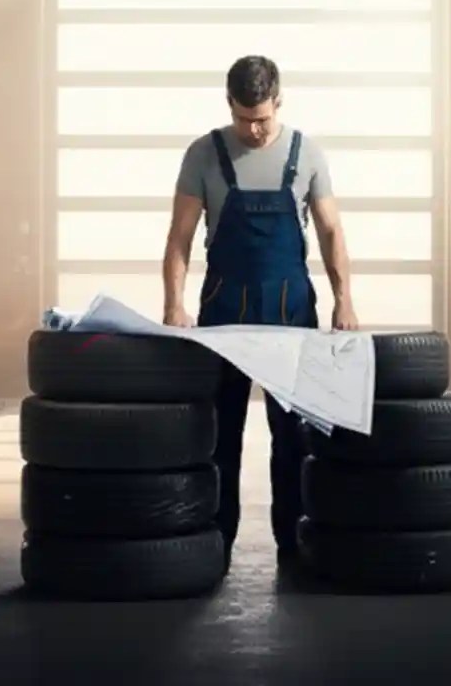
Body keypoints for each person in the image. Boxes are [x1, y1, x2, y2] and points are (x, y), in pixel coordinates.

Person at [162, 54, 359, 571]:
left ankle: (292, 545)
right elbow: (180, 237)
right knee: (219, 437)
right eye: (244, 118)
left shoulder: (306, 152)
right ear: (229, 103)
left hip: (289, 315)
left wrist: (343, 299)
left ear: (279, 101)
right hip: (224, 314)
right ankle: (215, 545)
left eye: (263, 118)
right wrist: (173, 304)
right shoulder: (203, 154)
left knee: (292, 439)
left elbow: (331, 230)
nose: (254, 129)